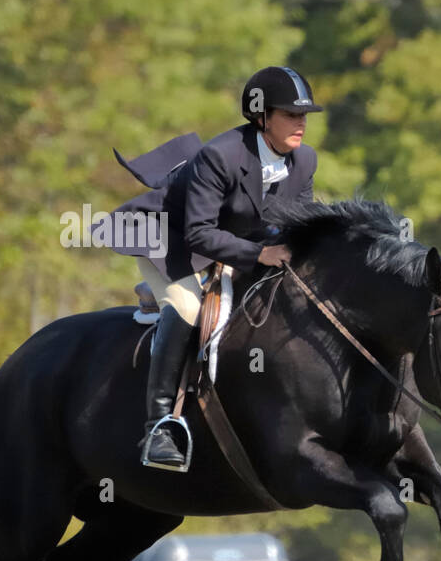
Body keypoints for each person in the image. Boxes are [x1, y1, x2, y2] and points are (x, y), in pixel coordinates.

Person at [101, 67, 321, 470]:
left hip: (236, 246)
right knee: (188, 307)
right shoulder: (221, 156)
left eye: (304, 116)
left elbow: (296, 223)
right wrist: (258, 256)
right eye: (291, 114)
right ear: (261, 116)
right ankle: (161, 424)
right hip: (171, 242)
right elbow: (199, 234)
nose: (301, 124)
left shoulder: (304, 160)